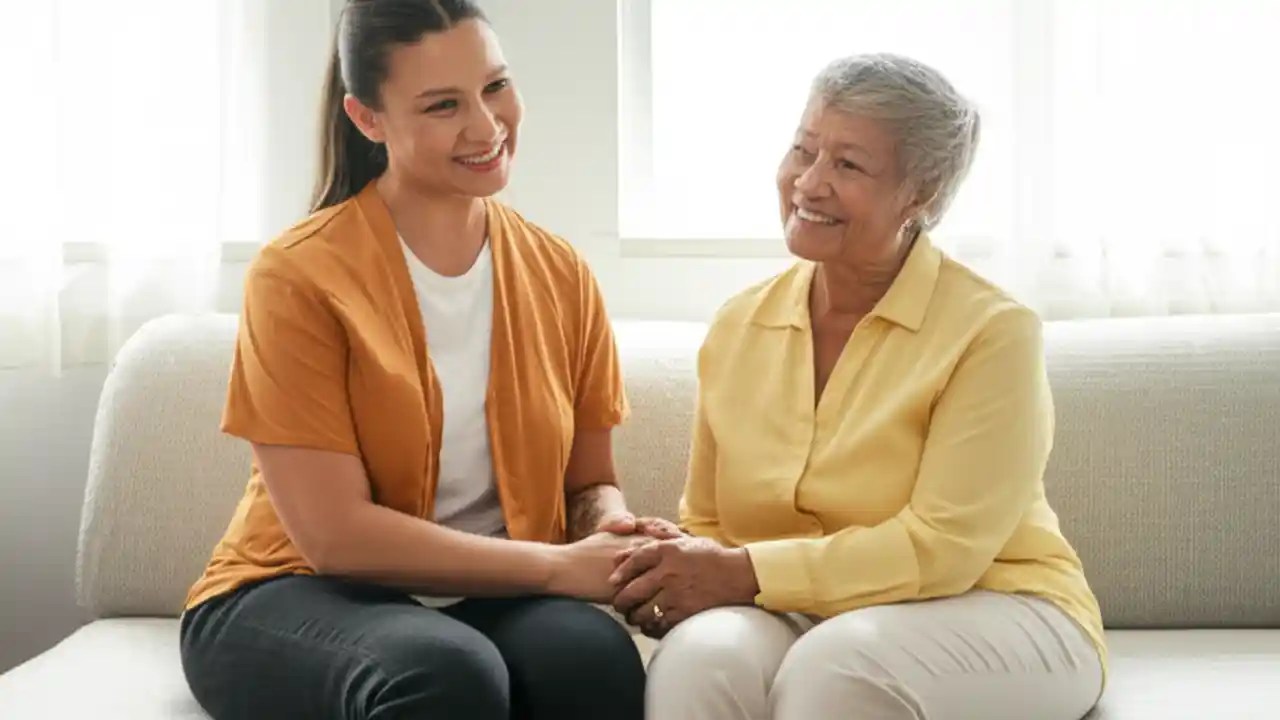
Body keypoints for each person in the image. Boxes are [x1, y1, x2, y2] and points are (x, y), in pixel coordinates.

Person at [179, 2, 676, 718]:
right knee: (444, 671)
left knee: (591, 657)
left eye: (496, 87)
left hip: (488, 595)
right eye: (443, 105)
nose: (486, 126)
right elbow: (334, 538)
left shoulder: (561, 273)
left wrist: (613, 534)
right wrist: (561, 568)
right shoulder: (297, 275)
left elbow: (589, 481)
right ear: (367, 118)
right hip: (289, 593)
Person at [610, 53, 1107, 719]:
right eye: (802, 150)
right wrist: (681, 571)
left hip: (997, 604)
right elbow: (711, 523)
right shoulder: (738, 326)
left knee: (838, 669)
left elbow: (944, 550)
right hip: (802, 610)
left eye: (847, 165)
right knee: (700, 659)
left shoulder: (993, 333)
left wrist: (747, 572)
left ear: (920, 193)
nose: (808, 183)